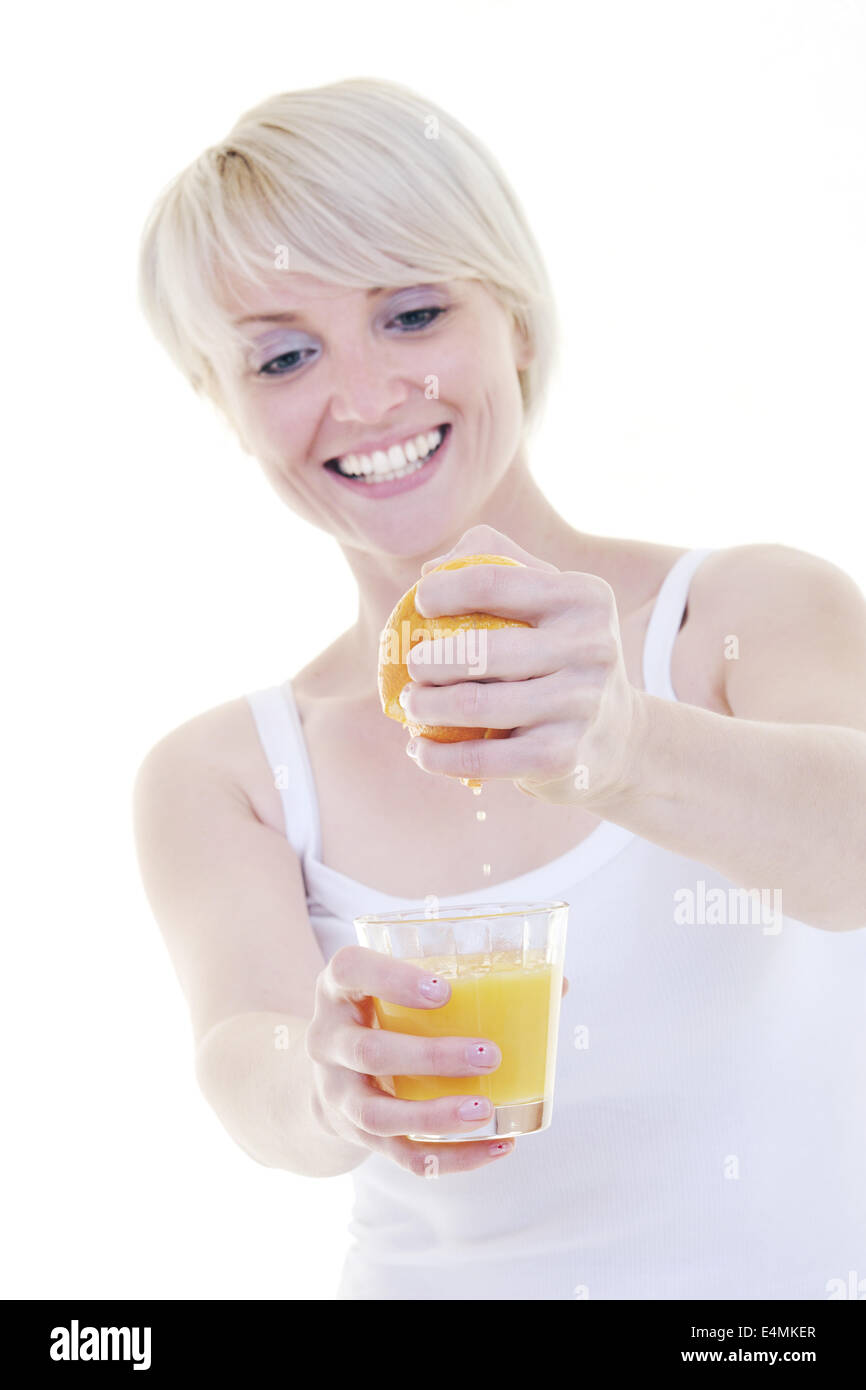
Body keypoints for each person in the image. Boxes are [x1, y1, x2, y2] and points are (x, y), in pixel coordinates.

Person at [132, 77, 866, 1301]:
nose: (363, 397)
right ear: (227, 406)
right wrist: (327, 1085)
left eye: (413, 314)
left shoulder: (738, 616)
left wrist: (623, 746)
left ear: (514, 322)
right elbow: (239, 1059)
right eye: (284, 354)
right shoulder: (225, 773)